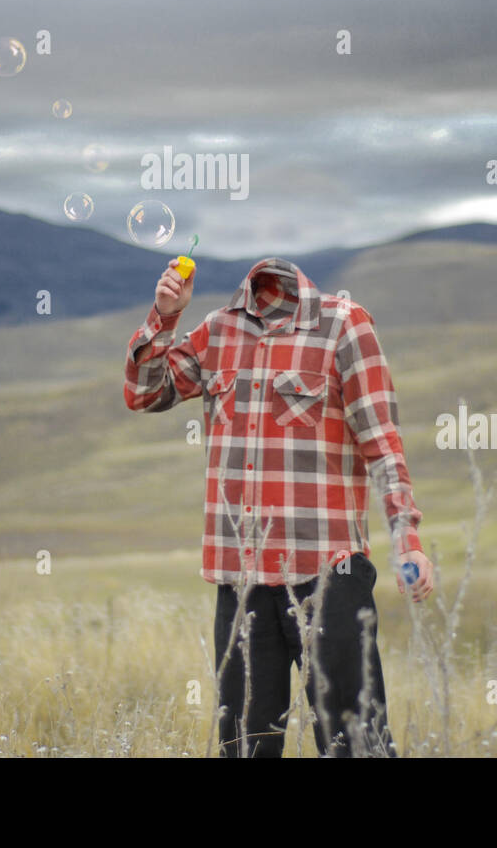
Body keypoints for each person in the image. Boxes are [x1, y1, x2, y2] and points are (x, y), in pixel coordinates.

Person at [124, 254, 433, 757]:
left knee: (354, 743)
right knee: (246, 747)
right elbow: (144, 393)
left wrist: (409, 540)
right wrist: (165, 316)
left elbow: (382, 445)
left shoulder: (344, 326)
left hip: (330, 575)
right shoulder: (216, 331)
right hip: (242, 582)